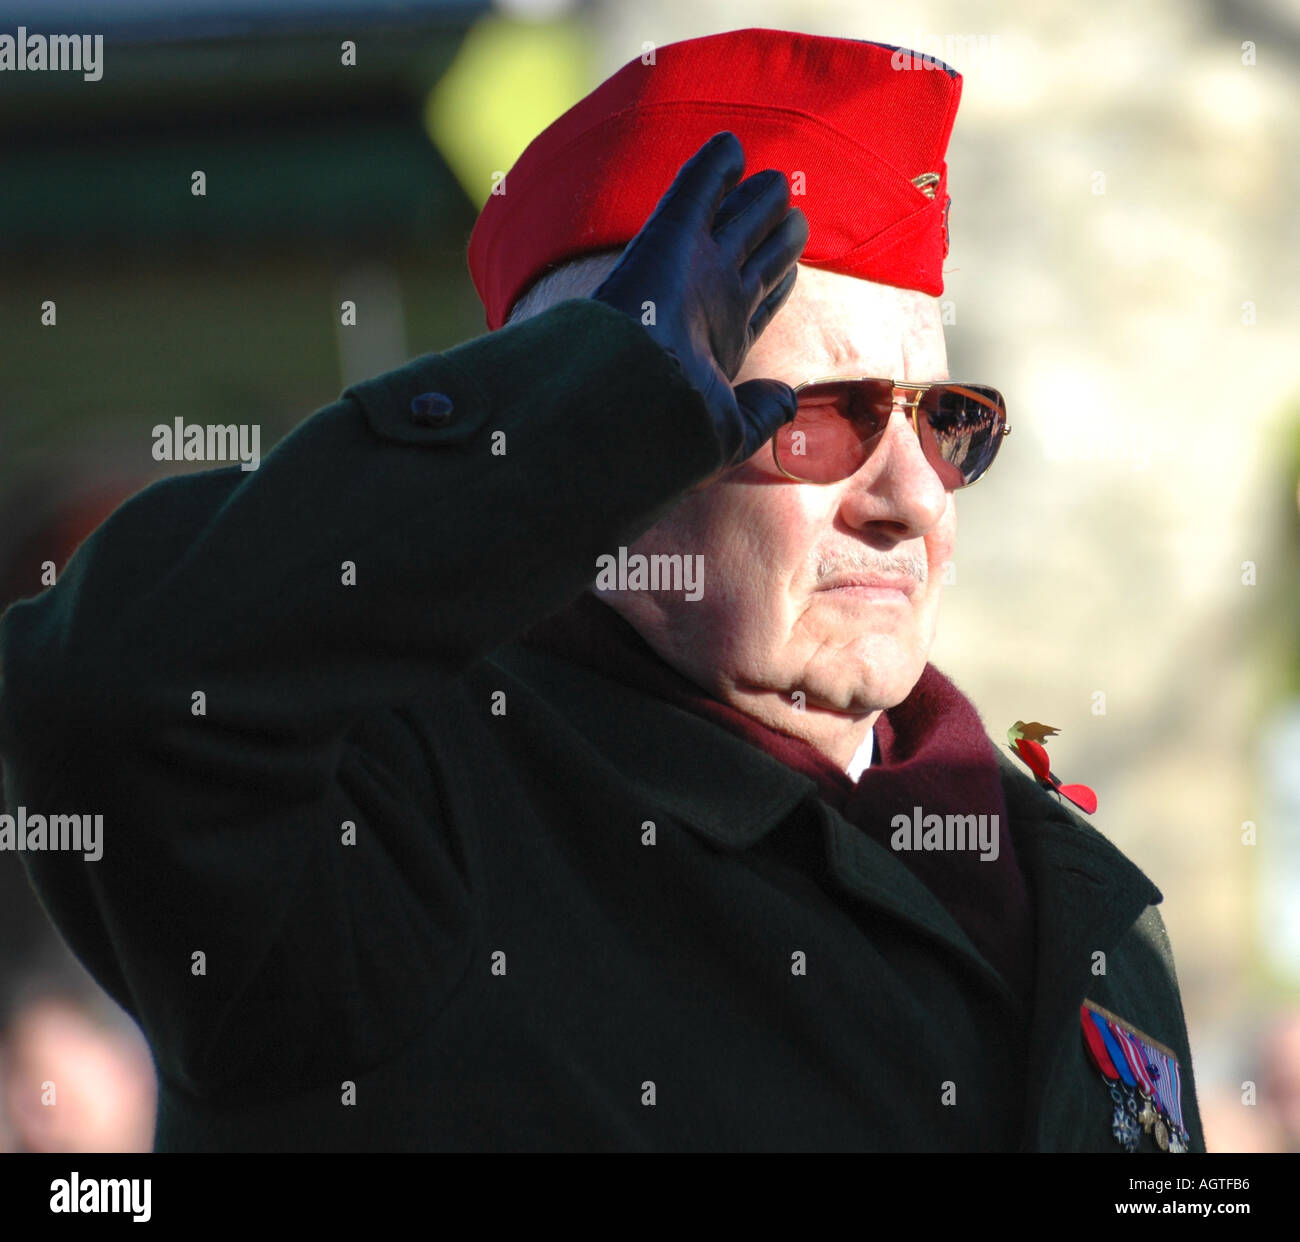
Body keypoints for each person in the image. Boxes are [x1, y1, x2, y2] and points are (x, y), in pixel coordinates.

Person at [0, 28, 1204, 1152]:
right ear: (618, 455)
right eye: (818, 420)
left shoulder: (1072, 890)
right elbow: (117, 691)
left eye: (945, 420)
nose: (915, 498)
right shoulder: (401, 819)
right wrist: (568, 410)